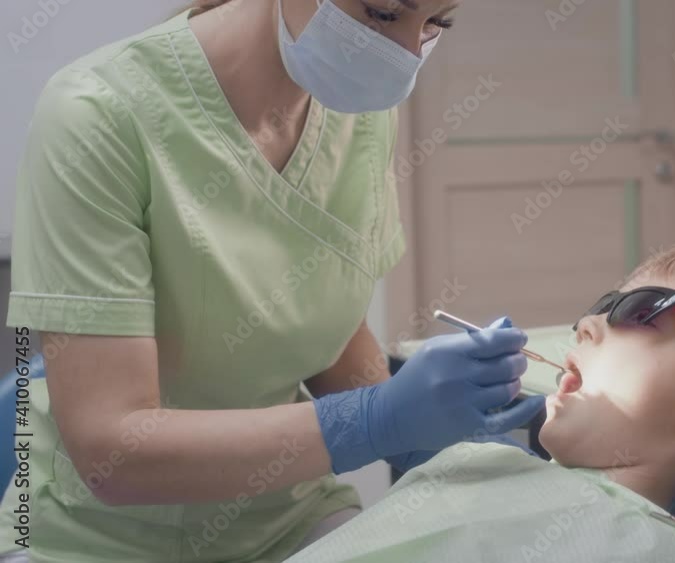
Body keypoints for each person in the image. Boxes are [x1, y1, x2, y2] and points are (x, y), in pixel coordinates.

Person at [0, 1, 545, 562]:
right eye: (383, 13)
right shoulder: (97, 113)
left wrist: (437, 443)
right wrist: (375, 420)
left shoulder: (357, 104)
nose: (406, 53)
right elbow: (112, 455)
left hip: (286, 518)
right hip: (98, 540)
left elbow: (325, 330)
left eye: (437, 22)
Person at [285, 244, 675, 562]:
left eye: (642, 310)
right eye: (605, 302)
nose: (588, 322)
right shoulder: (485, 464)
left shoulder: (656, 550)